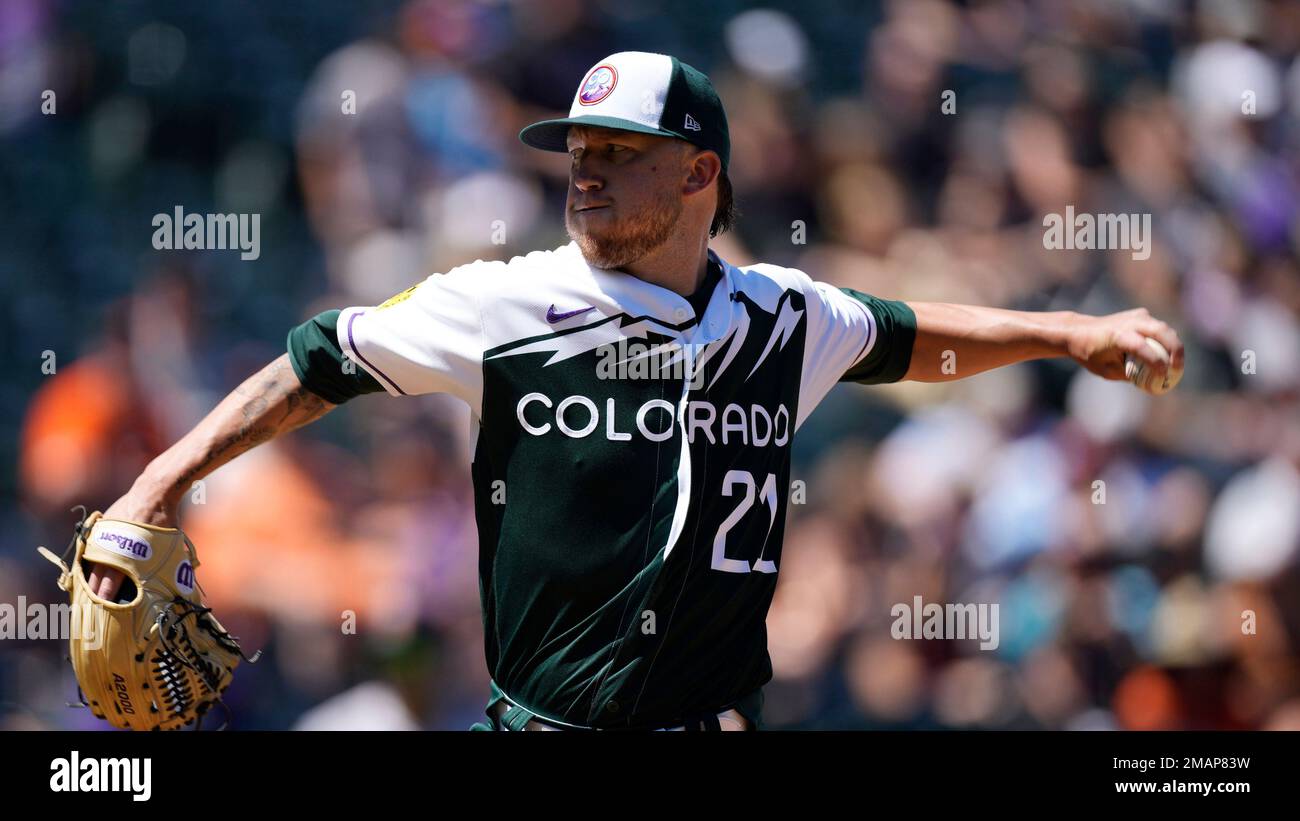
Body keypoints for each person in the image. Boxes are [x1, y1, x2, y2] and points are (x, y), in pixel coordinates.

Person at [84, 51, 1183, 731]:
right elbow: (317, 360)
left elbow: (909, 339)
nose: (586, 168)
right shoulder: (503, 304)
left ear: (700, 174)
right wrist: (158, 481)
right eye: (577, 148)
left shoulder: (782, 317)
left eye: (619, 148)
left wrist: (1066, 332)